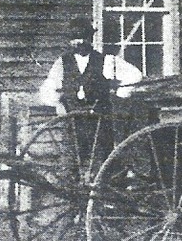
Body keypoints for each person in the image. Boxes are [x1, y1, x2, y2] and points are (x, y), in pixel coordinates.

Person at [36, 17, 145, 172]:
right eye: (74, 39)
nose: (78, 42)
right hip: (73, 123)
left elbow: (135, 75)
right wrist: (57, 103)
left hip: (99, 123)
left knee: (100, 165)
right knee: (70, 163)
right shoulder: (62, 63)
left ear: (89, 38)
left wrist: (120, 94)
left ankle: (100, 192)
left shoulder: (107, 60)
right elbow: (48, 87)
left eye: (82, 38)